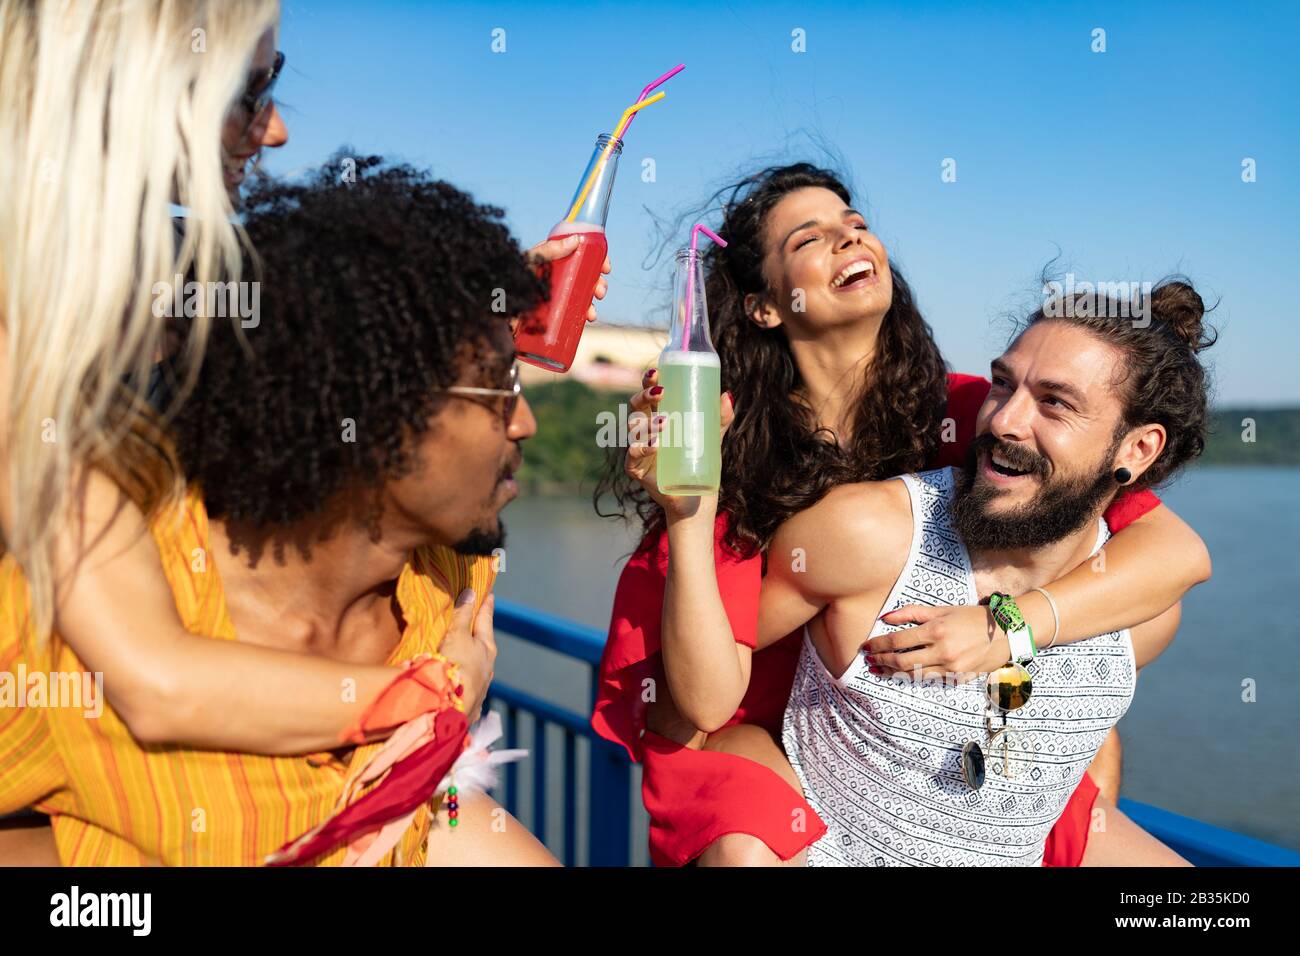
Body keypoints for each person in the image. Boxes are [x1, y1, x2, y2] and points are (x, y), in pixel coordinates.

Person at [594, 164, 1211, 866]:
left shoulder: (972, 413)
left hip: (924, 744)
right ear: (764, 305)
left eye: (855, 225)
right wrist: (687, 507)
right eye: (810, 238)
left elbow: (1173, 552)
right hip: (763, 740)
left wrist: (1017, 636)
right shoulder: (732, 447)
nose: (851, 239)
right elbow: (703, 704)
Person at [0, 157, 559, 866]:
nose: (526, 424)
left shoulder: (452, 587)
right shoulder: (80, 627)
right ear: (375, 412)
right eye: (499, 388)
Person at [763, 278, 1211, 864]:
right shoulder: (869, 535)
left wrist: (1011, 630)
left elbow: (1085, 728)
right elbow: (700, 696)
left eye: (1055, 402)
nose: (1003, 420)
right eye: (1002, 384)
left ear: (1137, 450)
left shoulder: (1140, 615)